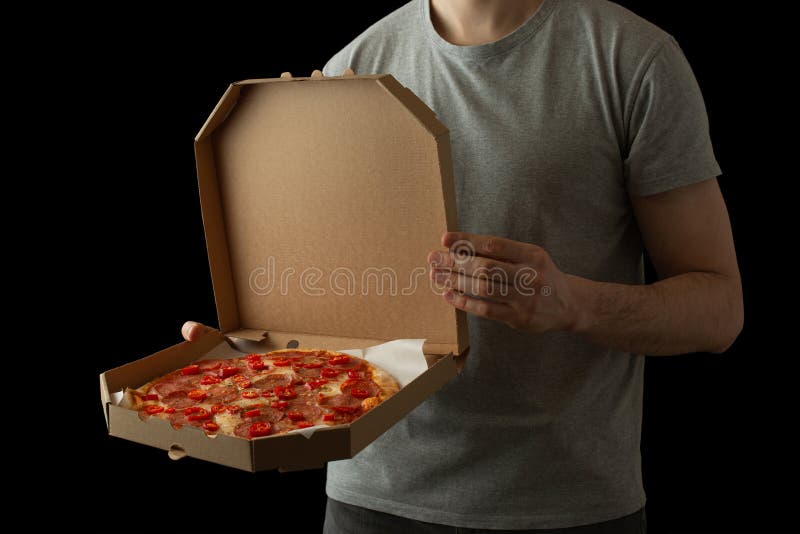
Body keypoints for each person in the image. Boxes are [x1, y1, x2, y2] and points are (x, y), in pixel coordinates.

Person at [182, 0, 742, 532]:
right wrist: (246, 371)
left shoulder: (631, 57)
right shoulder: (352, 66)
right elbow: (335, 313)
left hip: (567, 508)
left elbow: (719, 312)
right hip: (370, 504)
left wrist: (574, 304)